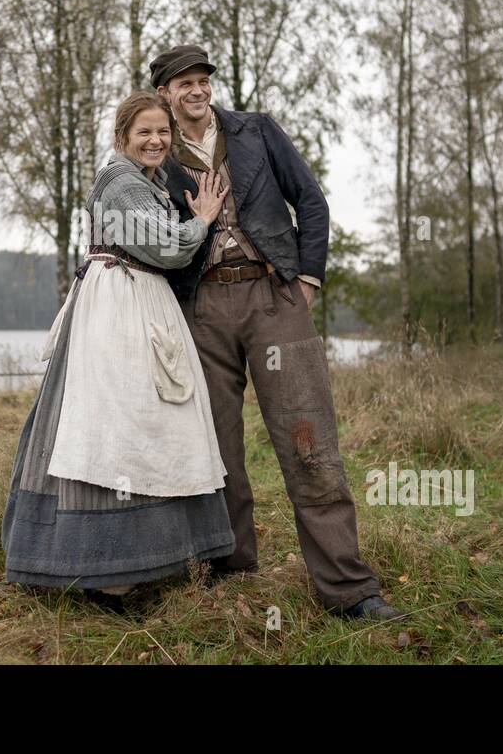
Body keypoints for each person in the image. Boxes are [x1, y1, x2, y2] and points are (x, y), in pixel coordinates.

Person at [150, 43, 404, 621]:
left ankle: (348, 589)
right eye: (182, 83)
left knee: (308, 439)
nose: (195, 91)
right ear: (164, 92)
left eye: (201, 81)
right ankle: (232, 574)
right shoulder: (156, 156)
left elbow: (311, 200)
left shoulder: (255, 130)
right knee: (215, 447)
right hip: (200, 308)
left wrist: (307, 278)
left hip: (273, 295)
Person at [1, 90, 236, 597]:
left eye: (162, 132)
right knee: (112, 429)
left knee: (144, 426)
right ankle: (106, 572)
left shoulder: (144, 181)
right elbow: (167, 249)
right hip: (118, 312)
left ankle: (141, 561)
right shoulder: (119, 180)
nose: (156, 140)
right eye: (144, 132)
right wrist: (203, 219)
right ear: (122, 137)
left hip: (138, 301)